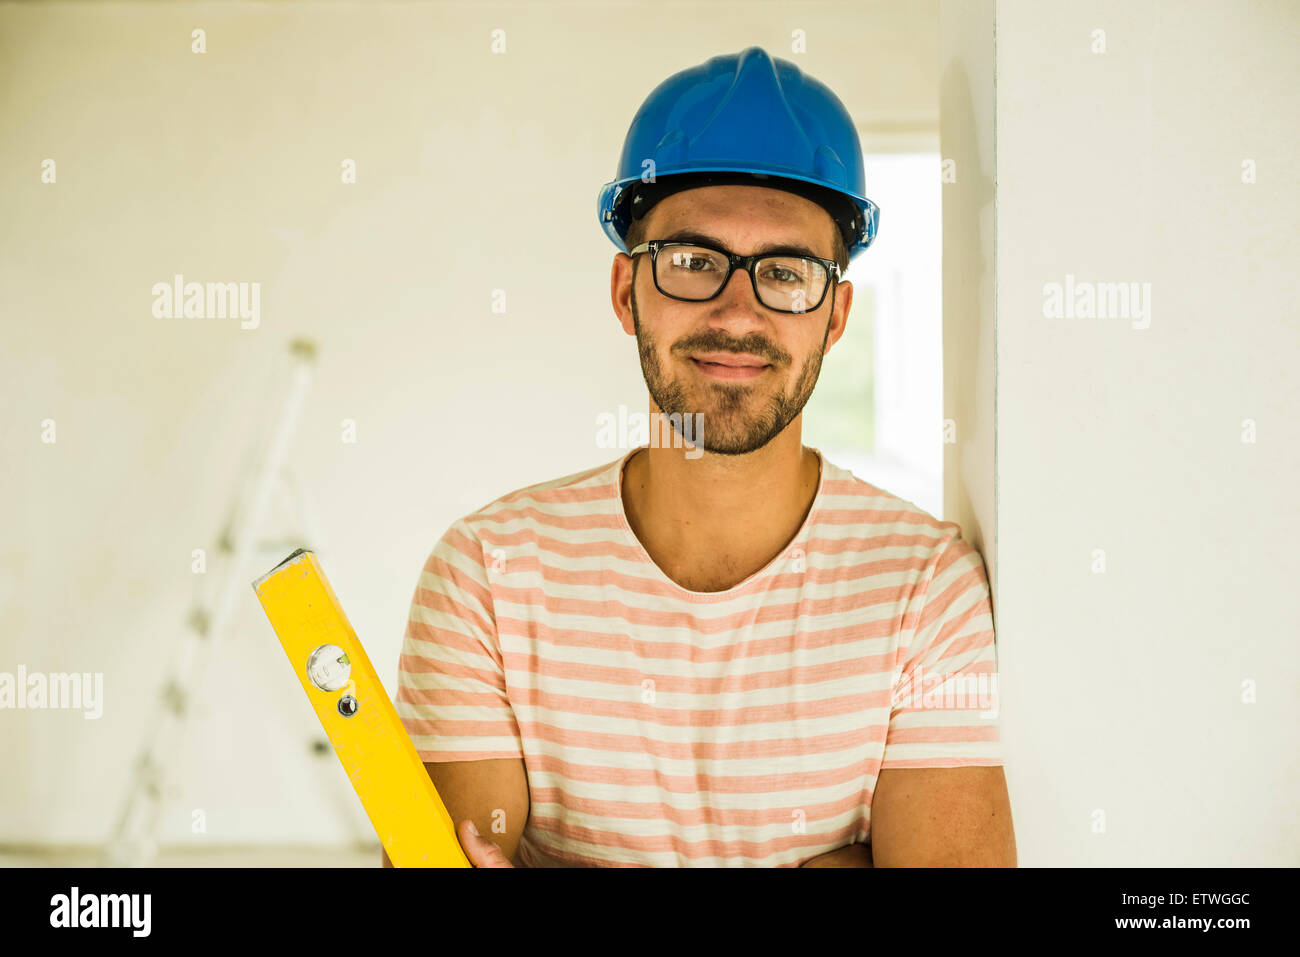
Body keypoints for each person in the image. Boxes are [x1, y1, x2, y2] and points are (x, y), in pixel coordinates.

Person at [386, 47, 1015, 867]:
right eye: (693, 262)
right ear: (625, 292)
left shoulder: (925, 592)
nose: (737, 310)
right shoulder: (485, 577)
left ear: (834, 315)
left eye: (786, 272)